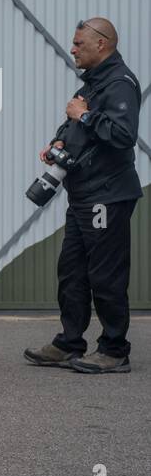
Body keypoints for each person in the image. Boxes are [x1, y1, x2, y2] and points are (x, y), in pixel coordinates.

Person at [25, 18, 142, 374]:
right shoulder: (94, 83)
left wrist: (85, 115)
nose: (72, 49)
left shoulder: (120, 83)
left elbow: (122, 135)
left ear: (101, 44)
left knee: (105, 274)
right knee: (72, 272)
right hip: (84, 196)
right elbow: (77, 125)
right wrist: (59, 140)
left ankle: (114, 349)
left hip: (107, 195)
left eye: (78, 43)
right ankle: (69, 342)